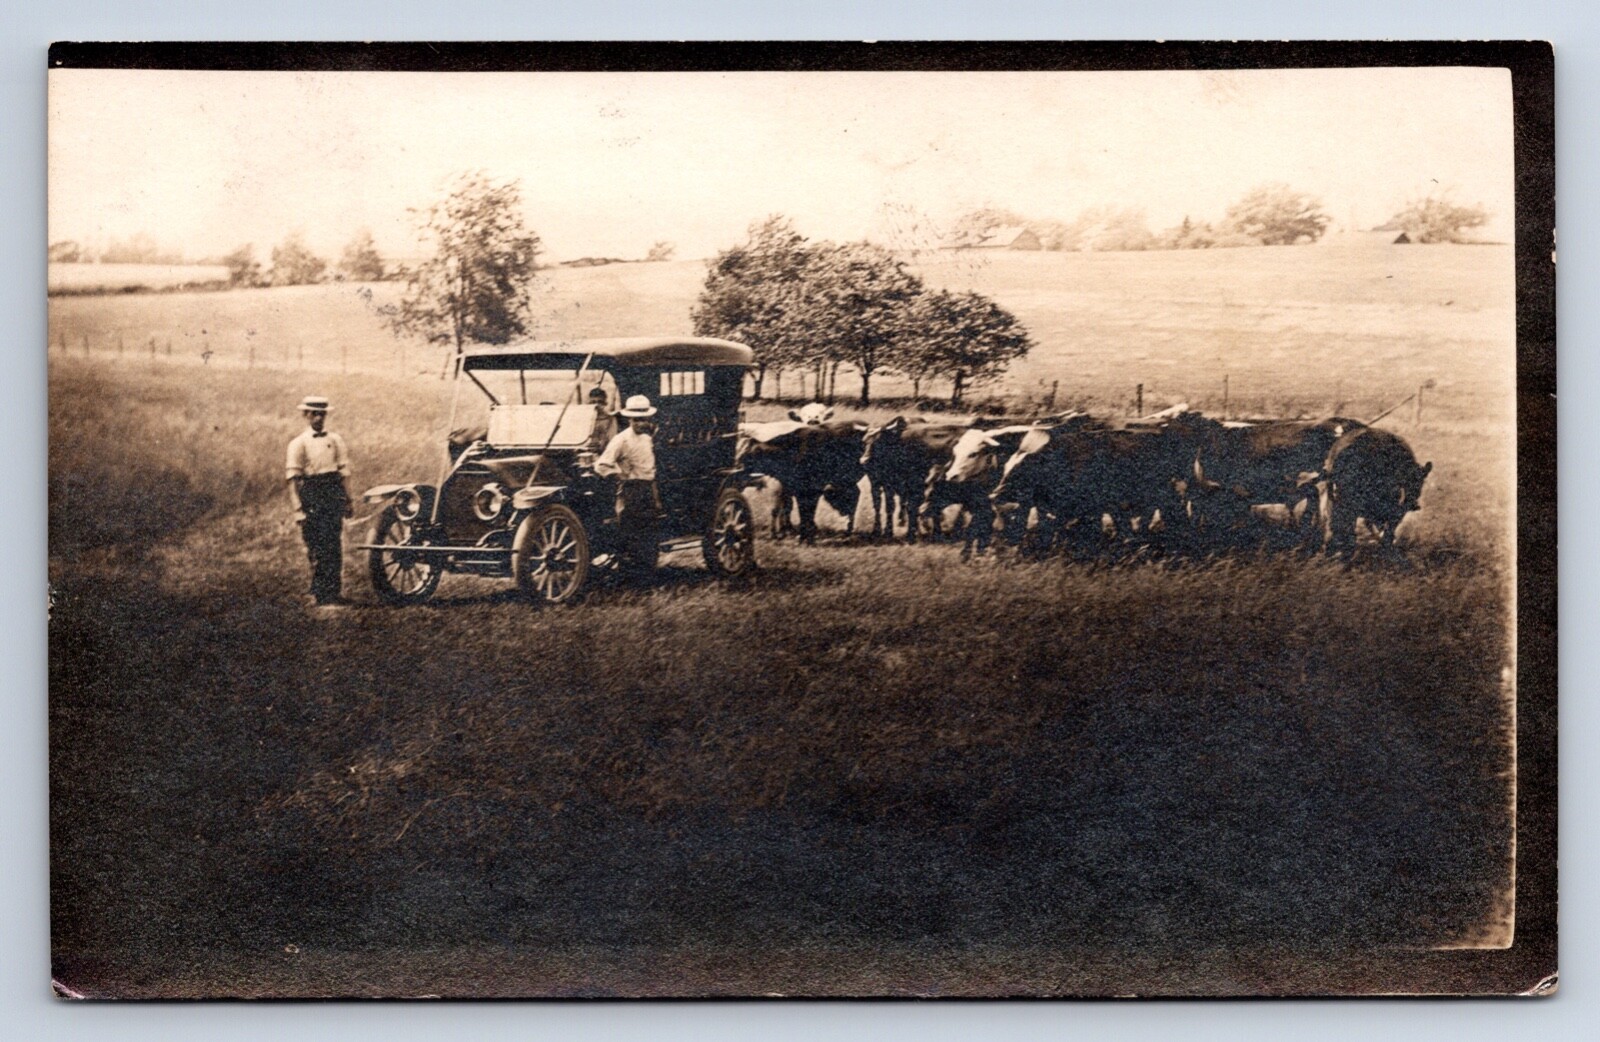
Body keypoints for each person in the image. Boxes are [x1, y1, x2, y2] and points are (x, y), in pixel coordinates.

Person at [285, 395, 354, 605]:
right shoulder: (298, 443)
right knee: (315, 544)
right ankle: (319, 593)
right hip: (312, 494)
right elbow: (293, 479)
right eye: (314, 414)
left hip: (332, 491)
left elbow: (344, 471)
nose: (318, 418)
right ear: (305, 415)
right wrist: (298, 508)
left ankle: (333, 592)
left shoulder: (335, 440)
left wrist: (348, 499)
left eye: (322, 414)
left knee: (333, 543)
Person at [594, 394, 662, 568]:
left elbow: (650, 470)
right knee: (631, 531)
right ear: (629, 419)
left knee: (649, 531)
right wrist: (619, 476)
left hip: (647, 488)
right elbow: (601, 465)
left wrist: (654, 494)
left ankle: (648, 570)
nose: (640, 423)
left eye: (643, 419)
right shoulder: (621, 440)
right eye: (636, 420)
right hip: (630, 491)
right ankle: (629, 570)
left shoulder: (647, 439)